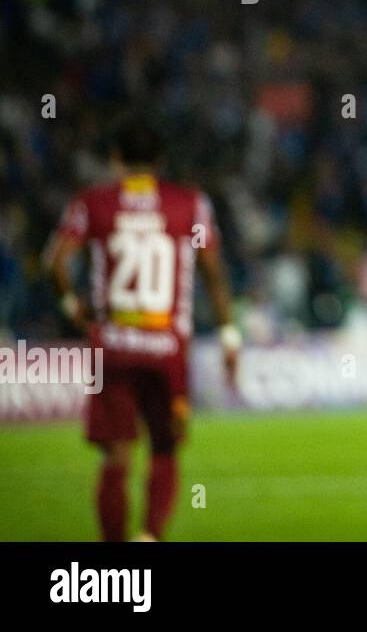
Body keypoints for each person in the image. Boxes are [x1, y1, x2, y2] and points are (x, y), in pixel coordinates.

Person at [44, 114, 239, 541]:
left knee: (116, 456)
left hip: (111, 345)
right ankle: (149, 536)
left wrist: (71, 303)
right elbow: (212, 271)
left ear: (115, 159)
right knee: (165, 448)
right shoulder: (189, 204)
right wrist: (228, 334)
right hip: (166, 347)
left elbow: (55, 259)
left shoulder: (94, 203)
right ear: (160, 160)